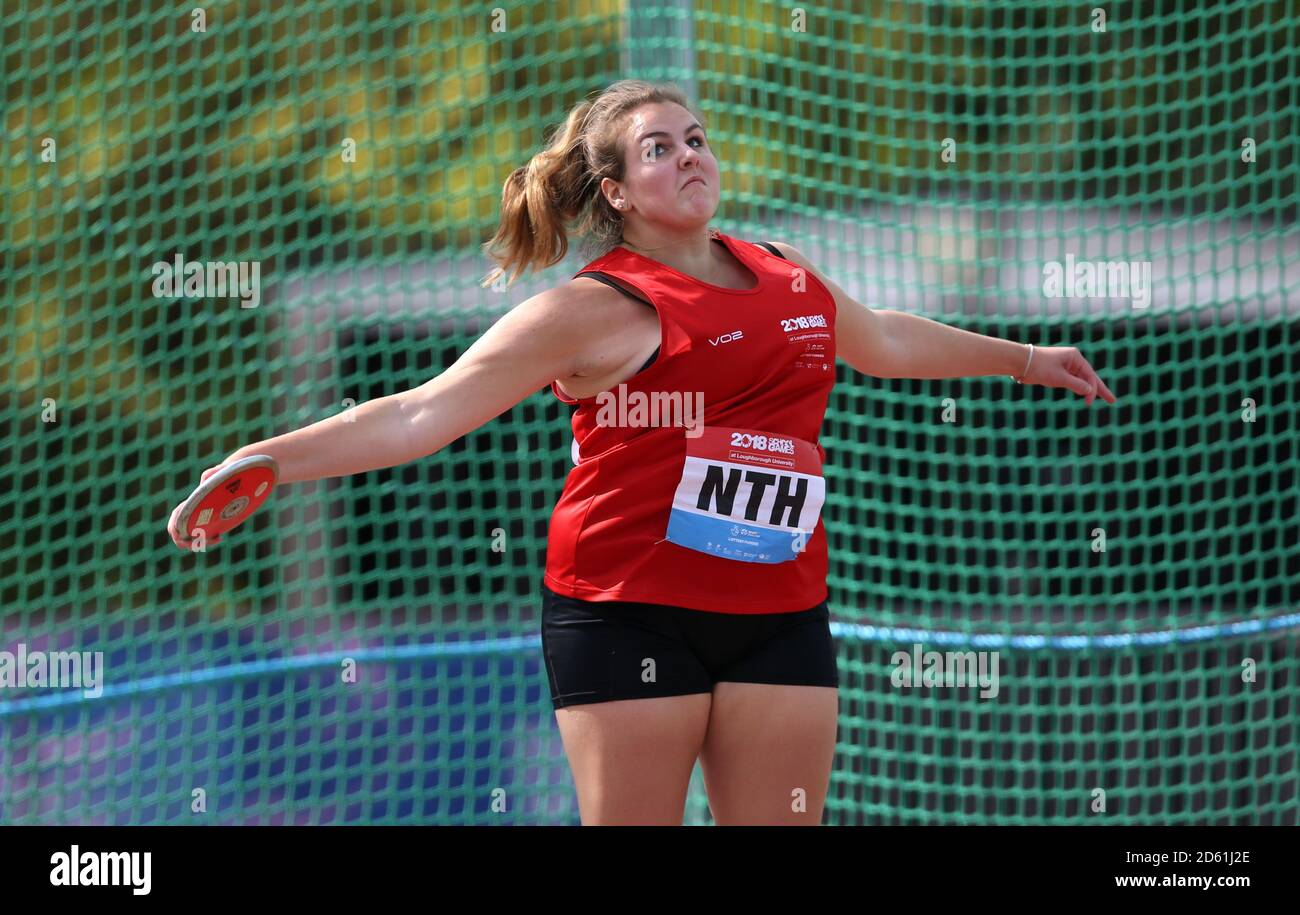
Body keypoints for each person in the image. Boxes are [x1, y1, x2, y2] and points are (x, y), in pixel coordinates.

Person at [168, 79, 1117, 825]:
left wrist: (1027, 358)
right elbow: (424, 413)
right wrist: (273, 457)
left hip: (778, 607)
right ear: (617, 191)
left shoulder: (788, 275)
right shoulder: (592, 308)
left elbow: (893, 342)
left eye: (696, 138)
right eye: (658, 148)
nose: (689, 155)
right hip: (628, 612)